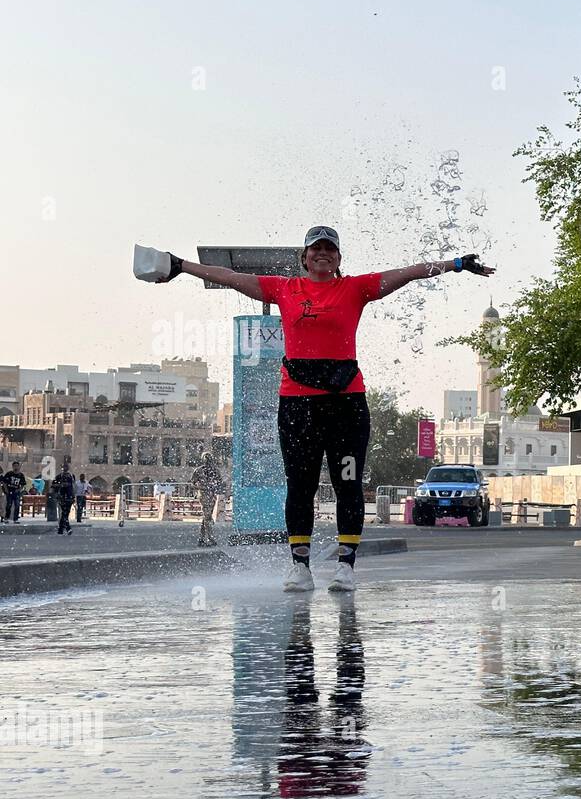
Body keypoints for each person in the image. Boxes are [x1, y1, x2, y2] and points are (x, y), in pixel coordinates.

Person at [148, 225, 493, 590]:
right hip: (298, 405)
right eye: (316, 249)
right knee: (300, 485)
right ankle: (300, 566)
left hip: (346, 405)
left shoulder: (355, 289)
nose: (323, 254)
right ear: (305, 257)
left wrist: (455, 264)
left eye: (330, 249)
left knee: (348, 483)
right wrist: (180, 265)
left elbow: (406, 274)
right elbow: (231, 278)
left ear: (339, 258)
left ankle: (346, 565)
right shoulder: (284, 289)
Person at [191, 451, 223, 547]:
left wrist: (214, 487)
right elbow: (192, 483)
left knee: (206, 517)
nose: (207, 460)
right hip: (204, 495)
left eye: (208, 458)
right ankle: (210, 538)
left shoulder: (215, 471)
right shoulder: (198, 471)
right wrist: (200, 488)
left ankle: (201, 538)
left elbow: (220, 482)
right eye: (206, 458)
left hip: (212, 496)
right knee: (207, 516)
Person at [52, 459, 76, 535]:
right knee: (64, 513)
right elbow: (53, 486)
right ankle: (68, 528)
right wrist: (61, 485)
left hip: (69, 497)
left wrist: (73, 496)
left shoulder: (71, 476)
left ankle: (60, 529)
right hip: (62, 497)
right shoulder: (58, 477)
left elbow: (72, 487)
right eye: (63, 467)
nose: (64, 468)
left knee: (65, 513)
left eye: (66, 466)